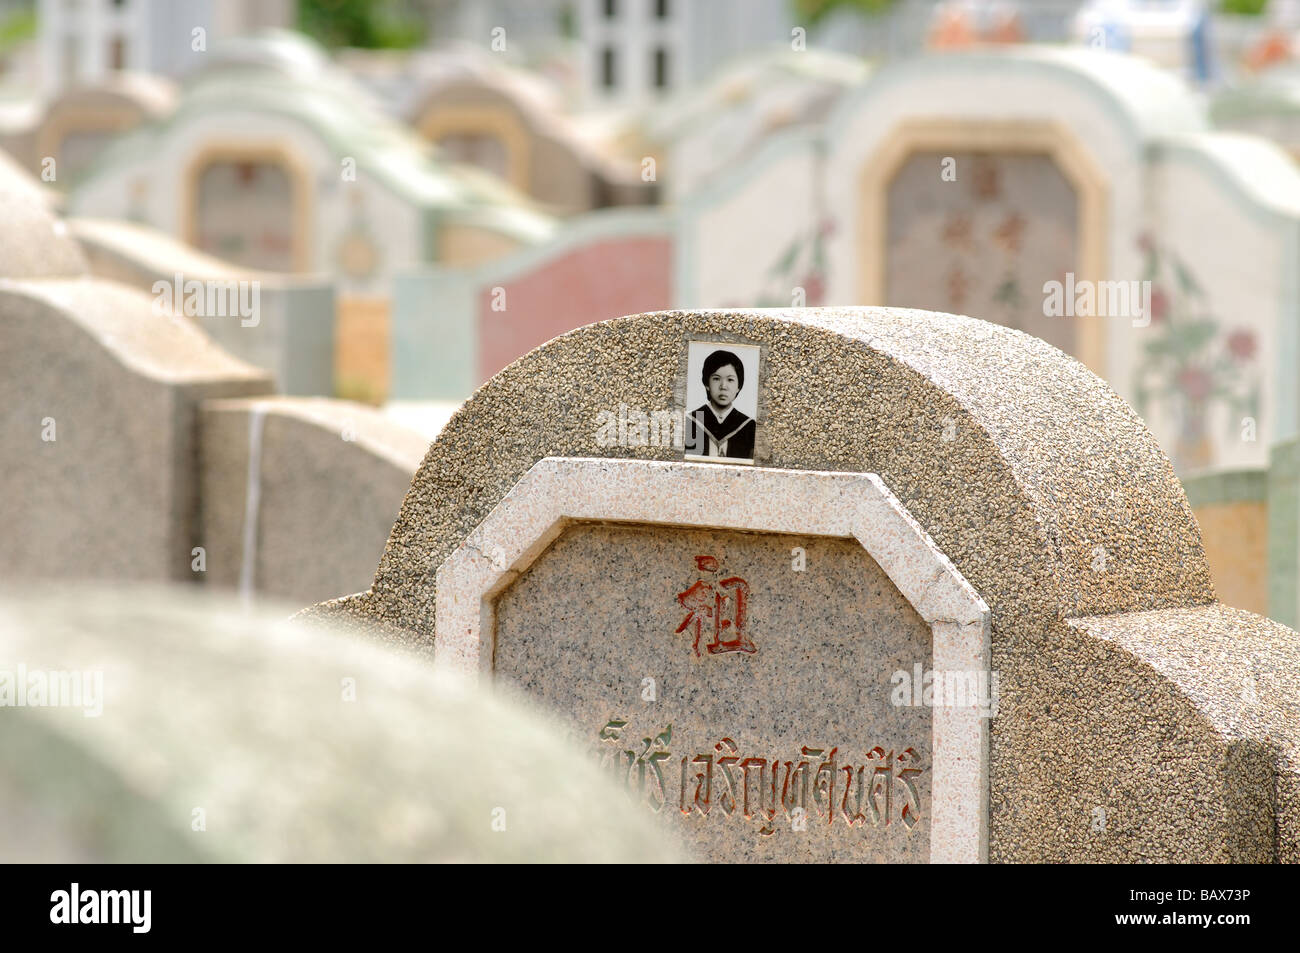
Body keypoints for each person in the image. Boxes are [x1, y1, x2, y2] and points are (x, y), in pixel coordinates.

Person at [685, 349, 756, 459]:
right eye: (716, 379)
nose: (723, 386)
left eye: (730, 380)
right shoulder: (691, 421)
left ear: (739, 386)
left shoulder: (749, 427)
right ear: (707, 383)